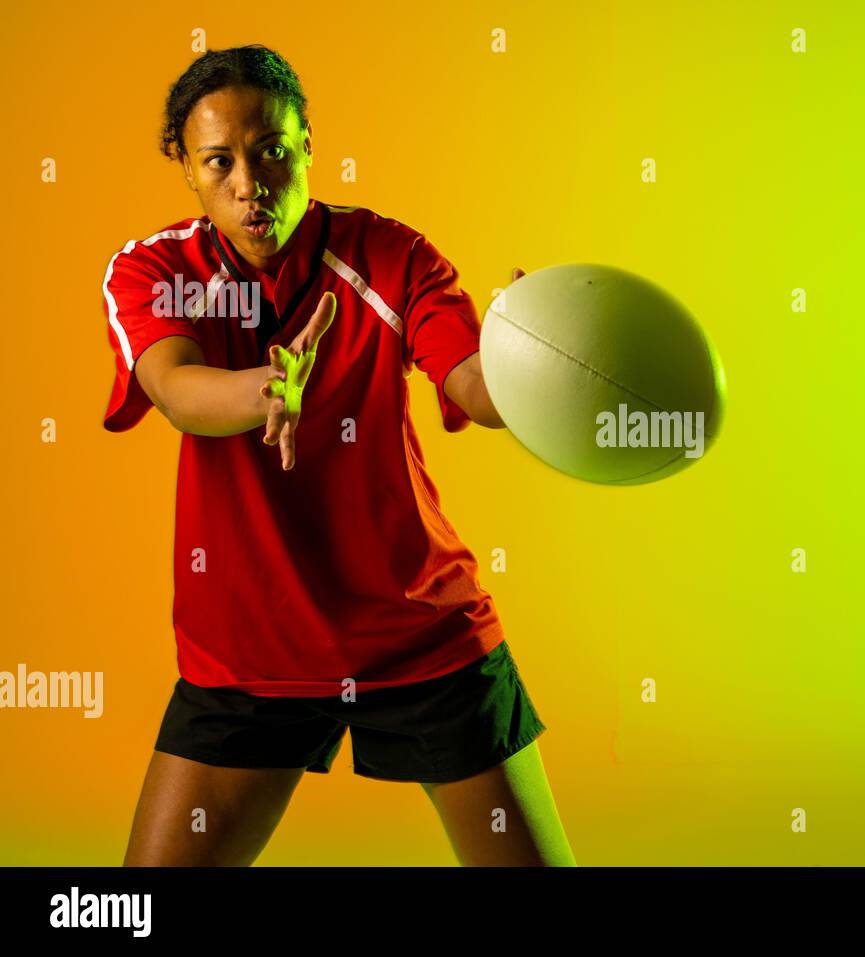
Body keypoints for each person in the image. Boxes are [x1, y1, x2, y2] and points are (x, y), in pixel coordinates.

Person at [102, 44, 575, 866]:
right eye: (220, 161)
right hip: (247, 652)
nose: (251, 181)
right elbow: (176, 388)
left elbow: (478, 392)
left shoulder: (391, 257)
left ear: (309, 144)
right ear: (186, 166)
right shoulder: (152, 271)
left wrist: (537, 351)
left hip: (419, 630)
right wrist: (265, 393)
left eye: (274, 150)